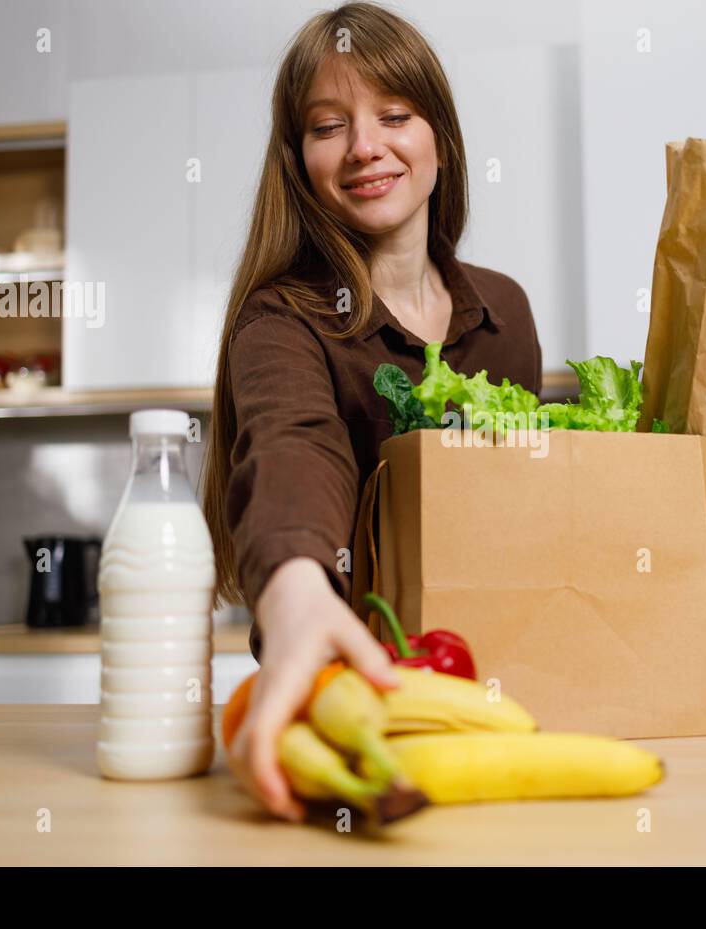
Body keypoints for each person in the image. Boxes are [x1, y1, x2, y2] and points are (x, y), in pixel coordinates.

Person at [201, 2, 542, 820]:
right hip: (351, 697)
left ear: (439, 140)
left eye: (395, 114)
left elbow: (527, 512)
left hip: (502, 696)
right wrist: (294, 593)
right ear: (298, 159)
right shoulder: (279, 321)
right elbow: (292, 447)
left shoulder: (506, 310)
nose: (364, 146)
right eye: (329, 126)